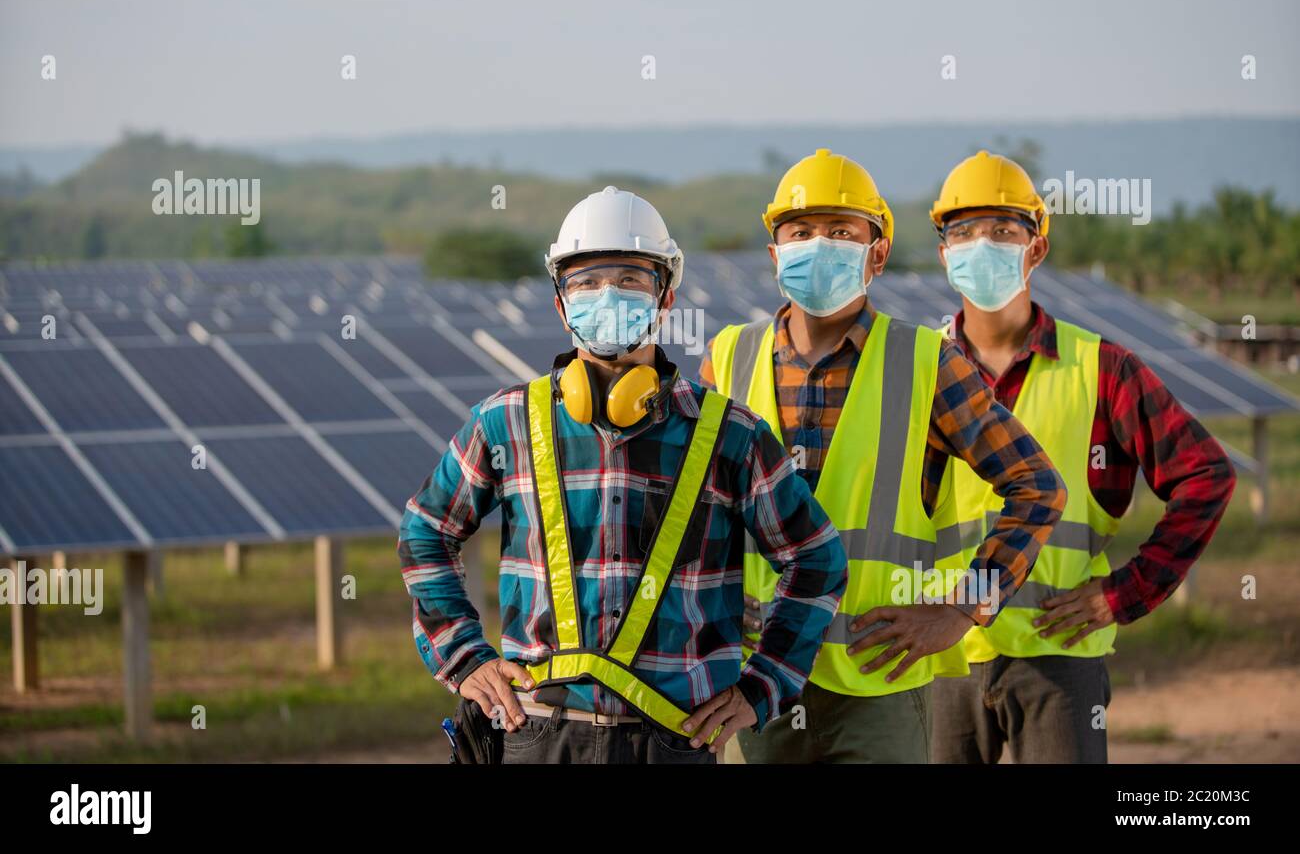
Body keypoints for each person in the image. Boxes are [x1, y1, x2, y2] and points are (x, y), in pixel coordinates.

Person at [399, 185, 848, 764]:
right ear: (560, 304)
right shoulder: (505, 421)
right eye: (585, 282)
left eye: (631, 279)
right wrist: (464, 658)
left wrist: (763, 687)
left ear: (666, 297)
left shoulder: (730, 434)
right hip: (535, 733)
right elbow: (426, 531)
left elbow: (816, 558)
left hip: (671, 740)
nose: (607, 295)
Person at [700, 149, 1066, 763]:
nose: (819, 245)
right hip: (753, 680)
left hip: (879, 685)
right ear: (775, 253)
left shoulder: (926, 363)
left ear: (878, 253)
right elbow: (694, 514)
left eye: (842, 232)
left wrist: (963, 609)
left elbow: (1037, 486)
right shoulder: (728, 357)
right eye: (801, 232)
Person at [926, 151, 1237, 763]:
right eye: (963, 231)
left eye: (1003, 230)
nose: (981, 245)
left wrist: (1124, 593)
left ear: (1036, 248)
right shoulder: (916, 369)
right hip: (943, 652)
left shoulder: (1102, 369)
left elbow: (1206, 474)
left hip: (1059, 653)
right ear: (944, 254)